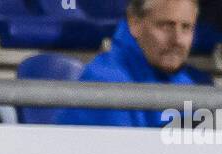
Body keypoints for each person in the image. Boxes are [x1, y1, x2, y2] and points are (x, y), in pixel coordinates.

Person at [54, 0, 201, 128]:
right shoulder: (106, 82)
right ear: (134, 23)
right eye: (166, 26)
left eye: (186, 27)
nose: (177, 40)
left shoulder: (189, 84)